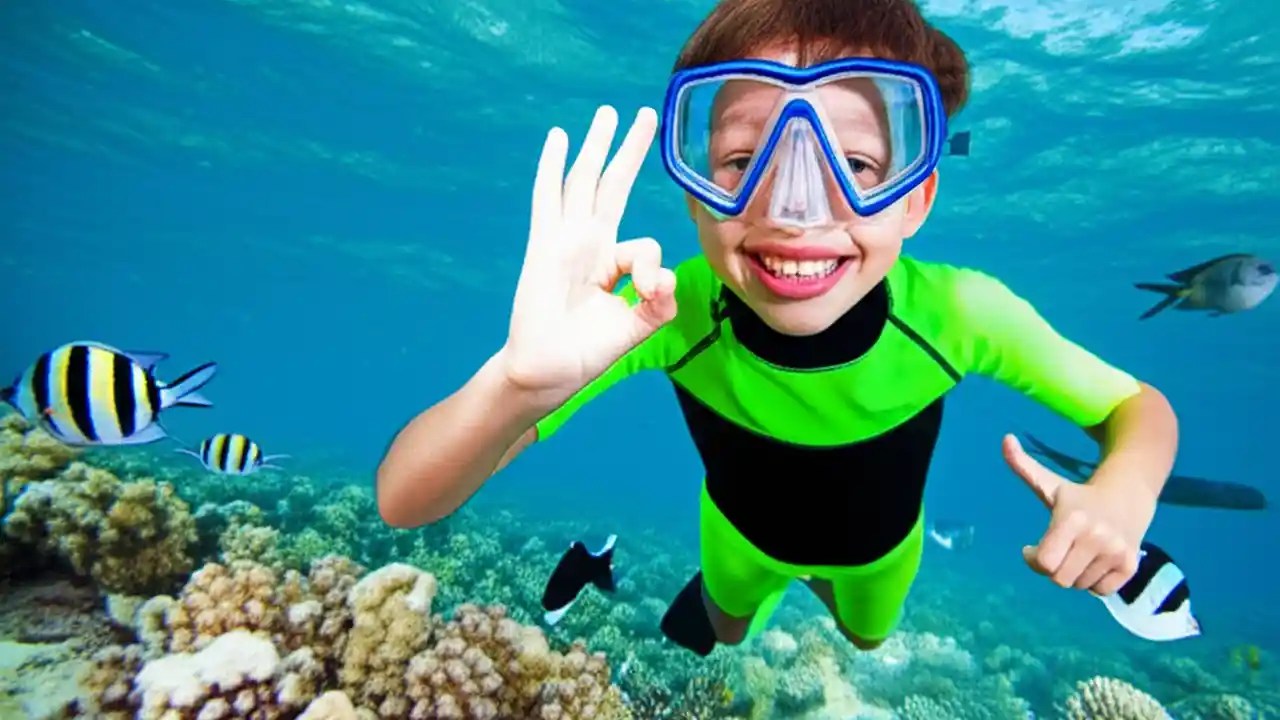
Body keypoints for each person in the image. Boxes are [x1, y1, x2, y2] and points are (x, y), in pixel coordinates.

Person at [376, 0, 1179, 656]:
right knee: (725, 632)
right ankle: (745, 611)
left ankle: (825, 597)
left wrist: (1124, 490)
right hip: (736, 541)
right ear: (696, 196)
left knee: (865, 640)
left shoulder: (962, 313)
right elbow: (406, 501)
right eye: (739, 160)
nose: (795, 208)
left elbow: (1137, 409)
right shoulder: (659, 310)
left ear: (916, 199)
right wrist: (512, 388)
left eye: (857, 168)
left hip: (879, 557)